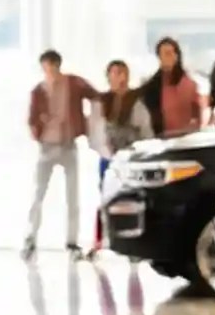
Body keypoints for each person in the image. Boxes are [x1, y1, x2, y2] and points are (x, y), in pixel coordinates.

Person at [25, 50, 102, 261]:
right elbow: (31, 118)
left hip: (68, 144)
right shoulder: (39, 90)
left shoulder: (74, 84)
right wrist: (38, 130)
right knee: (38, 193)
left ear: (58, 65)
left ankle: (71, 241)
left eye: (52, 66)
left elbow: (96, 96)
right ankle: (30, 237)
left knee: (72, 195)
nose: (49, 71)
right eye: (46, 67)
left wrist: (90, 124)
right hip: (47, 146)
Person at [87, 60, 154, 258]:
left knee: (132, 200)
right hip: (108, 158)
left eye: (123, 73)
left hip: (131, 159)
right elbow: (94, 131)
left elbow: (146, 130)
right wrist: (106, 151)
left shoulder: (136, 102)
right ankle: (99, 241)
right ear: (109, 77)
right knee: (105, 199)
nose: (120, 78)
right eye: (115, 73)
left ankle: (134, 246)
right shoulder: (101, 102)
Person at [142, 37, 201, 137]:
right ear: (159, 57)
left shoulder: (189, 84)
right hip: (161, 139)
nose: (168, 57)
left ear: (177, 56)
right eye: (165, 54)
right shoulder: (150, 87)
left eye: (171, 53)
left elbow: (196, 114)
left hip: (187, 138)